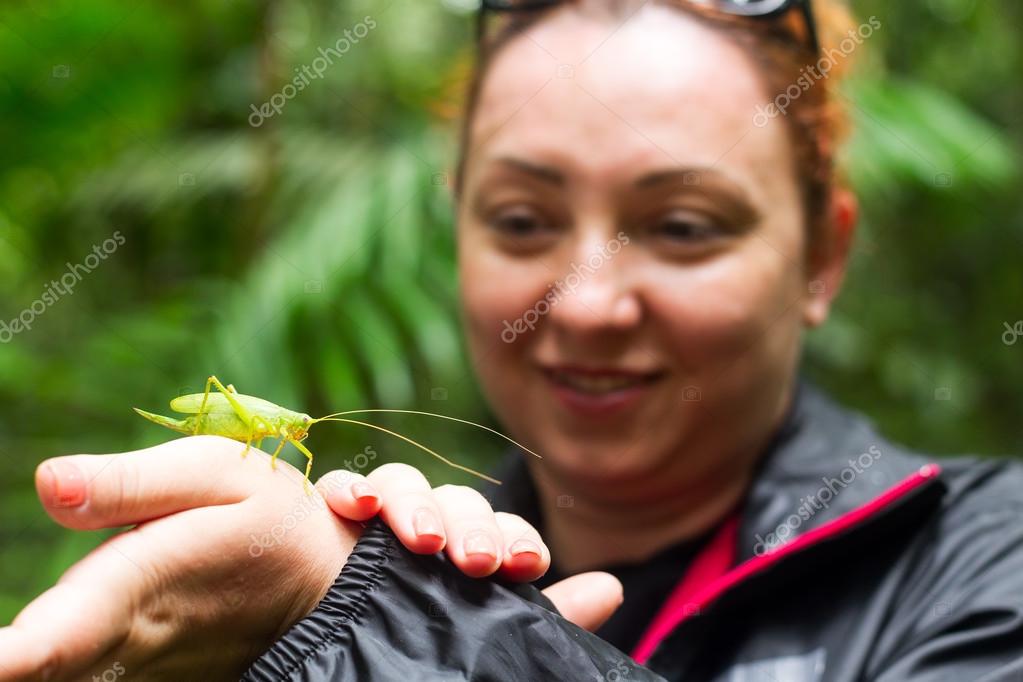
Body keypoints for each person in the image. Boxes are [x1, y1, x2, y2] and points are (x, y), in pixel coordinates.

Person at [4, 0, 1023, 679]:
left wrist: (364, 624)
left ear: (822, 258)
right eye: (523, 220)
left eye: (681, 226)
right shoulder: (413, 541)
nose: (583, 304)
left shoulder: (987, 562)